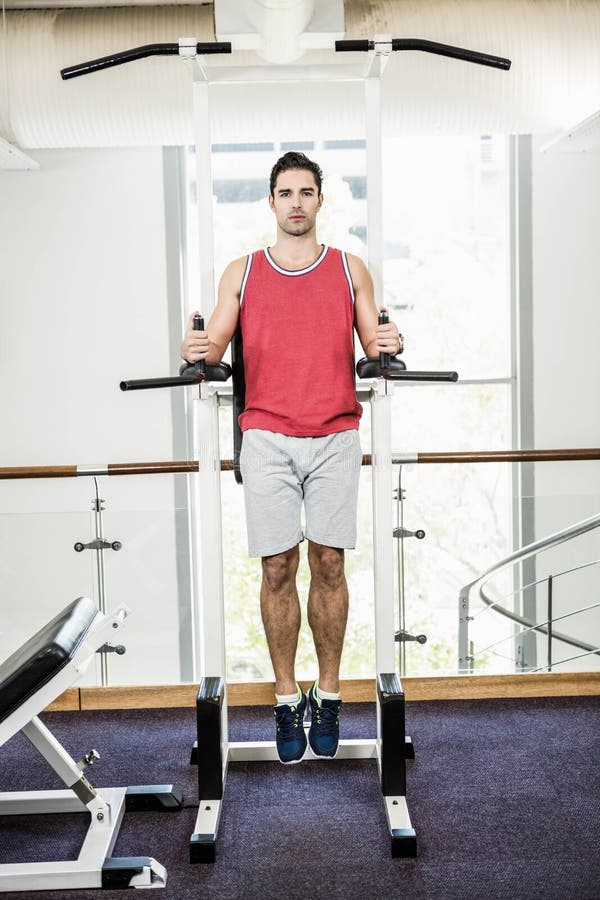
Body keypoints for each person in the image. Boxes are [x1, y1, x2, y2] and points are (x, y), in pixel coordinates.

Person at [181, 151, 401, 764]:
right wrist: (195, 346)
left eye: (307, 192)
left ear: (320, 201)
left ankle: (327, 695)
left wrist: (391, 340)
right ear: (272, 202)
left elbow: (375, 341)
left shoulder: (349, 268)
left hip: (334, 436)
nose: (297, 203)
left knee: (329, 563)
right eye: (286, 193)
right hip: (267, 438)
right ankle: (285, 698)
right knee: (277, 567)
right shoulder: (243, 272)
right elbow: (212, 345)